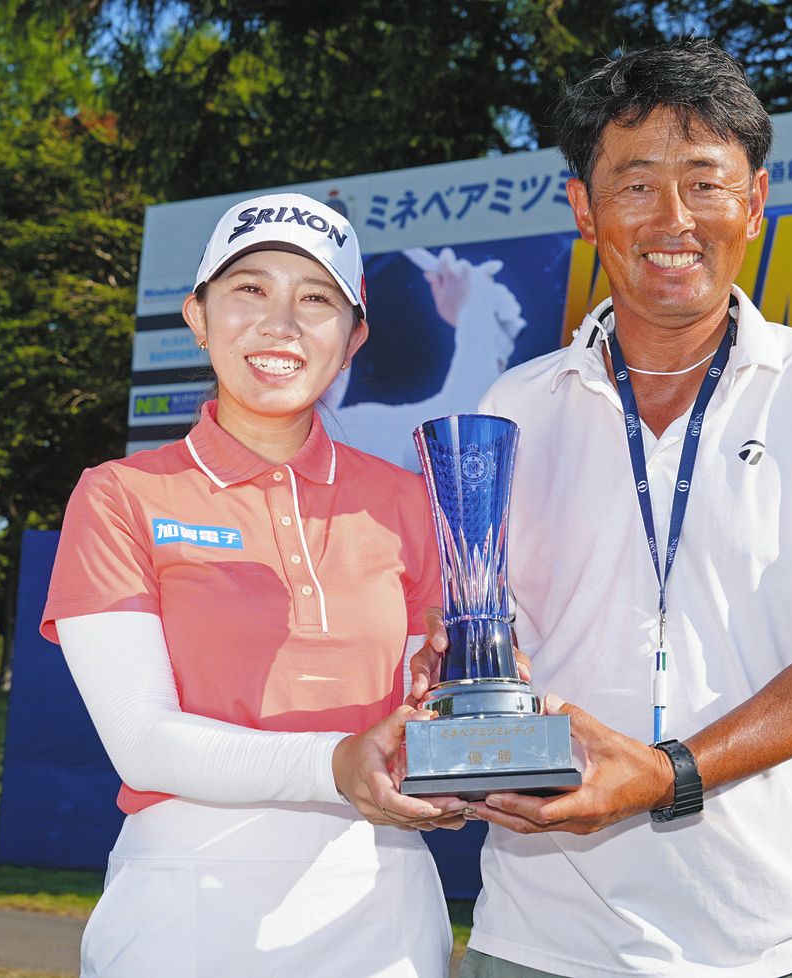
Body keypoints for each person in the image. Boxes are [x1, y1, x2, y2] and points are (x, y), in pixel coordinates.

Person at [410, 39, 792, 978]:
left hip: (786, 943)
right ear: (585, 209)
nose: (674, 219)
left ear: (757, 202)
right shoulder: (511, 409)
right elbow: (490, 632)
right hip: (543, 944)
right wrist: (464, 664)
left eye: (705, 181)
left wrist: (666, 772)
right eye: (637, 184)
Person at [41, 192, 469, 978]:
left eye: (316, 300)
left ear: (353, 340)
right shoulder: (119, 495)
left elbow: (418, 722)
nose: (281, 324)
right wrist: (334, 764)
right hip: (182, 910)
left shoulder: (410, 503)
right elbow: (142, 743)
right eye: (249, 290)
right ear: (197, 315)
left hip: (382, 903)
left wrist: (474, 719)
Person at [320, 246, 527, 469]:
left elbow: (465, 418)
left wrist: (478, 316)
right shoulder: (348, 435)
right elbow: (462, 423)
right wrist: (476, 310)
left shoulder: (348, 430)